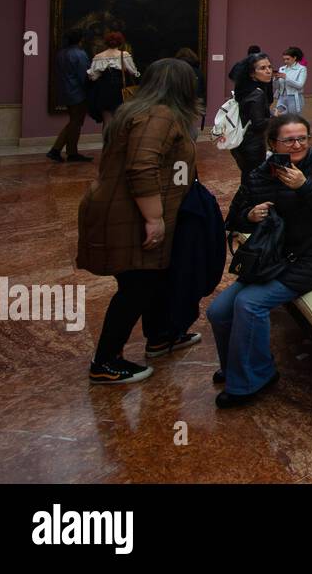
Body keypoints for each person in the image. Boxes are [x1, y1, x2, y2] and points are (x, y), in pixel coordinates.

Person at [76, 59, 203, 384]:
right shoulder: (160, 115)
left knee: (152, 279)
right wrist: (154, 218)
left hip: (126, 209)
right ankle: (105, 361)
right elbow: (142, 166)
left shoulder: (136, 110)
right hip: (130, 214)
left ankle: (159, 336)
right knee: (136, 286)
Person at [210, 114, 312, 407]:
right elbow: (233, 218)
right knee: (218, 311)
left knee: (250, 304)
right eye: (289, 140)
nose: (297, 145)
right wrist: (249, 215)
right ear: (272, 143)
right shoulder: (260, 173)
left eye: (303, 139)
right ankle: (236, 365)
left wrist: (304, 185)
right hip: (272, 255)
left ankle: (254, 378)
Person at [49, 28, 92, 162]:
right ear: (81, 39)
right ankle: (55, 150)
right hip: (77, 93)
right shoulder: (79, 54)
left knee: (75, 122)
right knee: (75, 122)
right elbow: (84, 76)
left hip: (65, 91)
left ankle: (72, 152)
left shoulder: (61, 53)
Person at [232, 54, 274, 181]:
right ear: (252, 74)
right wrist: (275, 119)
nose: (268, 71)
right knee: (253, 181)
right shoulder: (257, 94)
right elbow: (258, 124)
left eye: (270, 67)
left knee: (247, 177)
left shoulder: (244, 89)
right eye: (262, 68)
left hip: (241, 142)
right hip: (252, 145)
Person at [86, 31, 139, 125]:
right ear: (120, 42)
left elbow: (93, 77)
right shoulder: (124, 55)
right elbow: (133, 72)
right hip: (120, 91)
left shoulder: (99, 57)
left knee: (107, 121)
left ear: (106, 42)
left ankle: (107, 139)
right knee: (120, 120)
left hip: (104, 90)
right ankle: (117, 139)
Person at [275, 46, 307, 116]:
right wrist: (275, 80)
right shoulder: (282, 68)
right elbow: (277, 87)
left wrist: (286, 78)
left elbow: (300, 85)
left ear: (294, 58)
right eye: (284, 59)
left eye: (288, 59)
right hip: (281, 97)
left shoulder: (301, 69)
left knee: (293, 119)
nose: (285, 61)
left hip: (294, 98)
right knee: (278, 117)